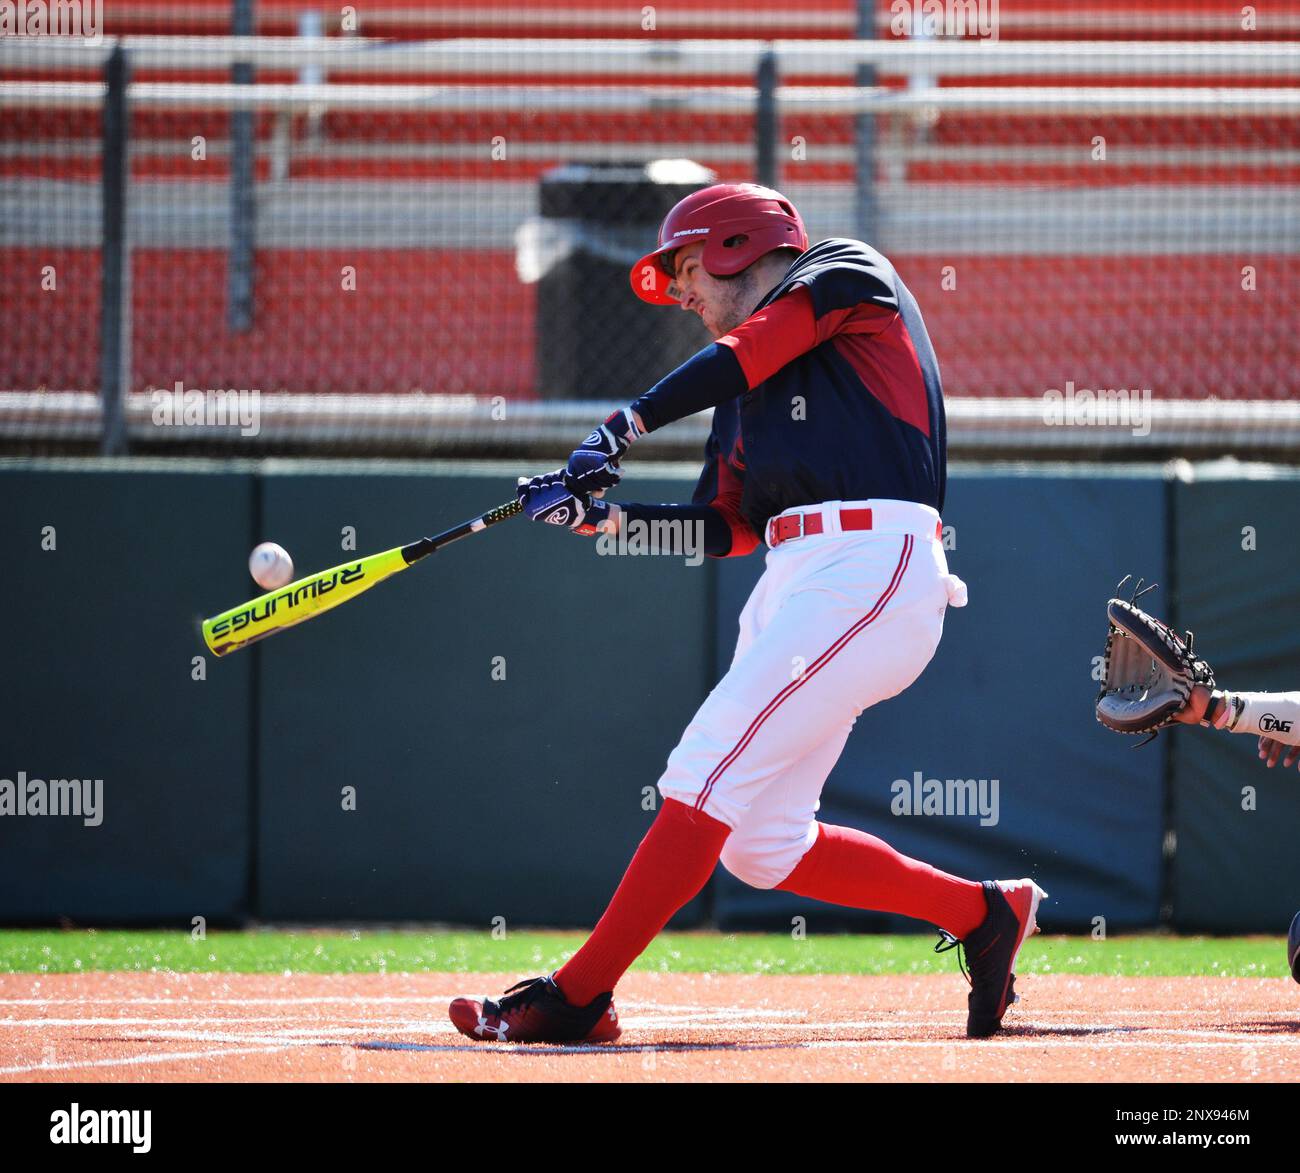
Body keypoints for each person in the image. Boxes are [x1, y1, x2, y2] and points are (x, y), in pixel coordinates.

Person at [449, 182, 1047, 1044]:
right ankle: (984, 913)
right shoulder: (744, 389)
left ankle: (579, 994)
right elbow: (728, 527)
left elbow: (750, 348)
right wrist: (605, 518)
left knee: (700, 765)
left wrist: (621, 427)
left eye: (687, 268)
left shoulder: (846, 273)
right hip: (797, 582)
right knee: (761, 844)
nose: (682, 291)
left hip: (875, 565)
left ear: (736, 244)